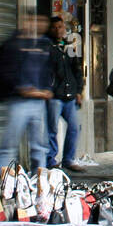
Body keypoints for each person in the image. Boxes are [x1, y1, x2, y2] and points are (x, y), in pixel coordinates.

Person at [0, 12, 53, 176]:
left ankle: (39, 182)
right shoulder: (14, 44)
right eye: (37, 21)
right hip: (18, 101)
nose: (40, 25)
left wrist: (48, 88)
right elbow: (3, 70)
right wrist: (19, 88)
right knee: (9, 144)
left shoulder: (44, 45)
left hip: (39, 102)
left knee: (39, 146)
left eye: (43, 21)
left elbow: (50, 69)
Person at [46, 16, 86, 172]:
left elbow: (76, 70)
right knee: (52, 129)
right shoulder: (48, 47)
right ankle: (51, 159)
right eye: (55, 27)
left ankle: (68, 159)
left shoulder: (69, 47)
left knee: (75, 127)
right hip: (54, 96)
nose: (58, 30)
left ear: (64, 29)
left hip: (70, 95)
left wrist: (78, 91)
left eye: (60, 27)